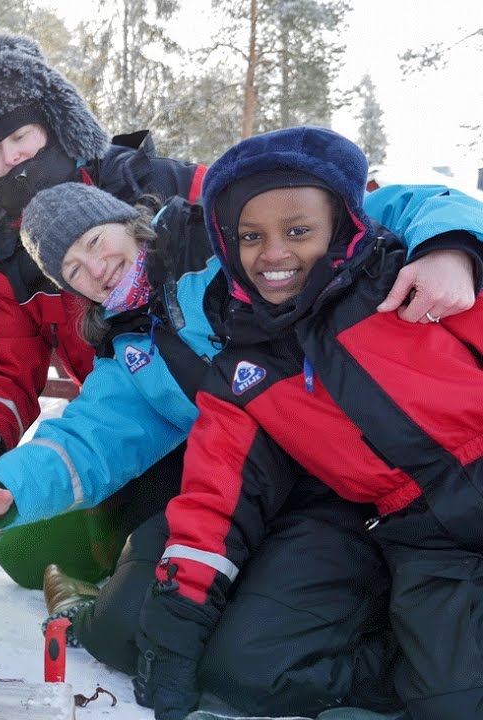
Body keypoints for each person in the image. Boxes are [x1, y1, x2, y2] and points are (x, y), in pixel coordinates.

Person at [0, 176, 483, 716]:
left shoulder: (221, 242)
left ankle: (403, 642)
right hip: (244, 486)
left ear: (126, 222)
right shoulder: (131, 349)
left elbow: (393, 205)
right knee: (129, 634)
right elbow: (88, 439)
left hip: (345, 485)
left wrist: (452, 248)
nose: (95, 269)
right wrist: (5, 489)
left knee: (246, 658)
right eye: (73, 269)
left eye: (95, 242)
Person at [129, 126, 483, 720]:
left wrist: (459, 252)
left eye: (298, 231)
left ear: (341, 226)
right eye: (250, 236)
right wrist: (175, 626)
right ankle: (426, 669)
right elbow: (214, 503)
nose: (273, 253)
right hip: (424, 539)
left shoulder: (404, 284)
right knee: (453, 704)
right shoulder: (245, 370)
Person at [0, 29, 207, 592]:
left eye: (20, 136)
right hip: (123, 427)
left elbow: (273, 212)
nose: (11, 160)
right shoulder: (5, 252)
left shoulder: (153, 183)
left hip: (221, 413)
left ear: (55, 122)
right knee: (21, 549)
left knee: (151, 565)